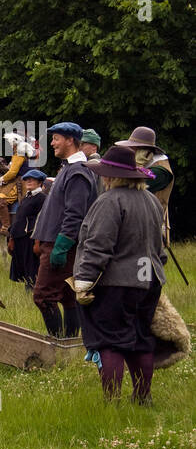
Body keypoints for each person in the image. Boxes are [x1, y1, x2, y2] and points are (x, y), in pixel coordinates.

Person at [72, 146, 166, 404]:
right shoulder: (151, 201)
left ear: (112, 176)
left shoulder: (109, 201)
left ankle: (111, 402)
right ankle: (142, 398)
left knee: (109, 341)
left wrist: (83, 282)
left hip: (116, 283)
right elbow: (160, 249)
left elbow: (98, 245)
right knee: (140, 339)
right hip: (148, 281)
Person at [31, 121, 98, 337]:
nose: (52, 143)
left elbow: (75, 214)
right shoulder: (70, 168)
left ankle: (58, 343)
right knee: (69, 296)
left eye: (56, 138)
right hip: (56, 243)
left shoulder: (78, 171)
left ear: (70, 140)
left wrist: (61, 245)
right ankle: (68, 343)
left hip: (61, 245)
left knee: (42, 296)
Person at [114, 126, 174, 244]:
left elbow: (131, 184)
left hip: (151, 229)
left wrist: (137, 163)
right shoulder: (146, 165)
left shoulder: (161, 171)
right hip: (136, 227)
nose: (130, 151)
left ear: (143, 151)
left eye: (133, 148)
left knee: (146, 262)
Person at [8, 169, 47, 288]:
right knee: (24, 266)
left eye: (32, 179)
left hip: (31, 237)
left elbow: (41, 220)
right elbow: (19, 218)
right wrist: (12, 237)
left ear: (40, 182)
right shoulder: (26, 197)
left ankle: (32, 289)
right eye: (26, 180)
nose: (29, 181)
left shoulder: (42, 198)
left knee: (32, 267)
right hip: (20, 237)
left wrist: (37, 241)